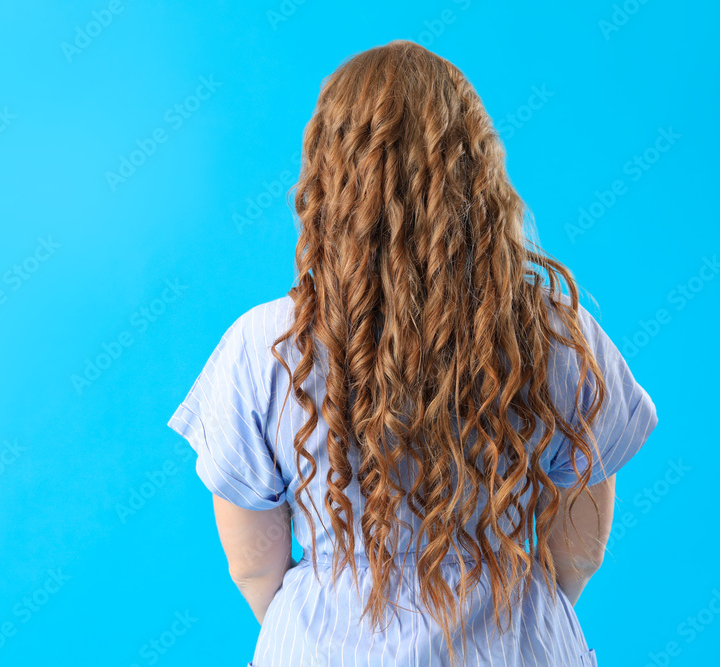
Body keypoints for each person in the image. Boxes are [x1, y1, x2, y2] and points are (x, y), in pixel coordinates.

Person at [167, 40, 657, 666]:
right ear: (478, 171)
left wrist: (329, 622)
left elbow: (251, 567)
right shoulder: (560, 334)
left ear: (329, 177)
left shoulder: (262, 346)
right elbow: (580, 551)